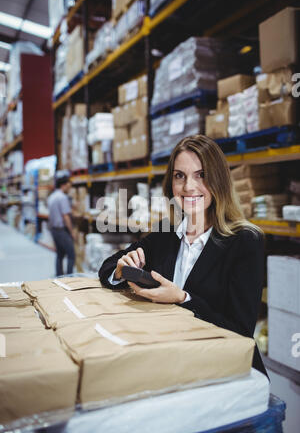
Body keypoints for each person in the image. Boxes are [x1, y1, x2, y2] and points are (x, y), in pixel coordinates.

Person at [98, 135, 267, 377]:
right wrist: (120, 268)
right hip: (172, 356)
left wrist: (183, 298)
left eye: (201, 175)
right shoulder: (167, 231)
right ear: (171, 184)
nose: (189, 187)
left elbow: (240, 330)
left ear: (218, 180)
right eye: (180, 176)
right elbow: (107, 268)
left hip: (224, 368)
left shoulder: (244, 241)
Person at [48, 174, 75, 277]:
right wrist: (72, 232)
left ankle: (59, 276)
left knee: (60, 254)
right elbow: (66, 216)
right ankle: (69, 278)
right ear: (64, 184)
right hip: (61, 230)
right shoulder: (62, 197)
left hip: (54, 229)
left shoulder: (52, 196)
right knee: (71, 255)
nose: (70, 187)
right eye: (69, 184)